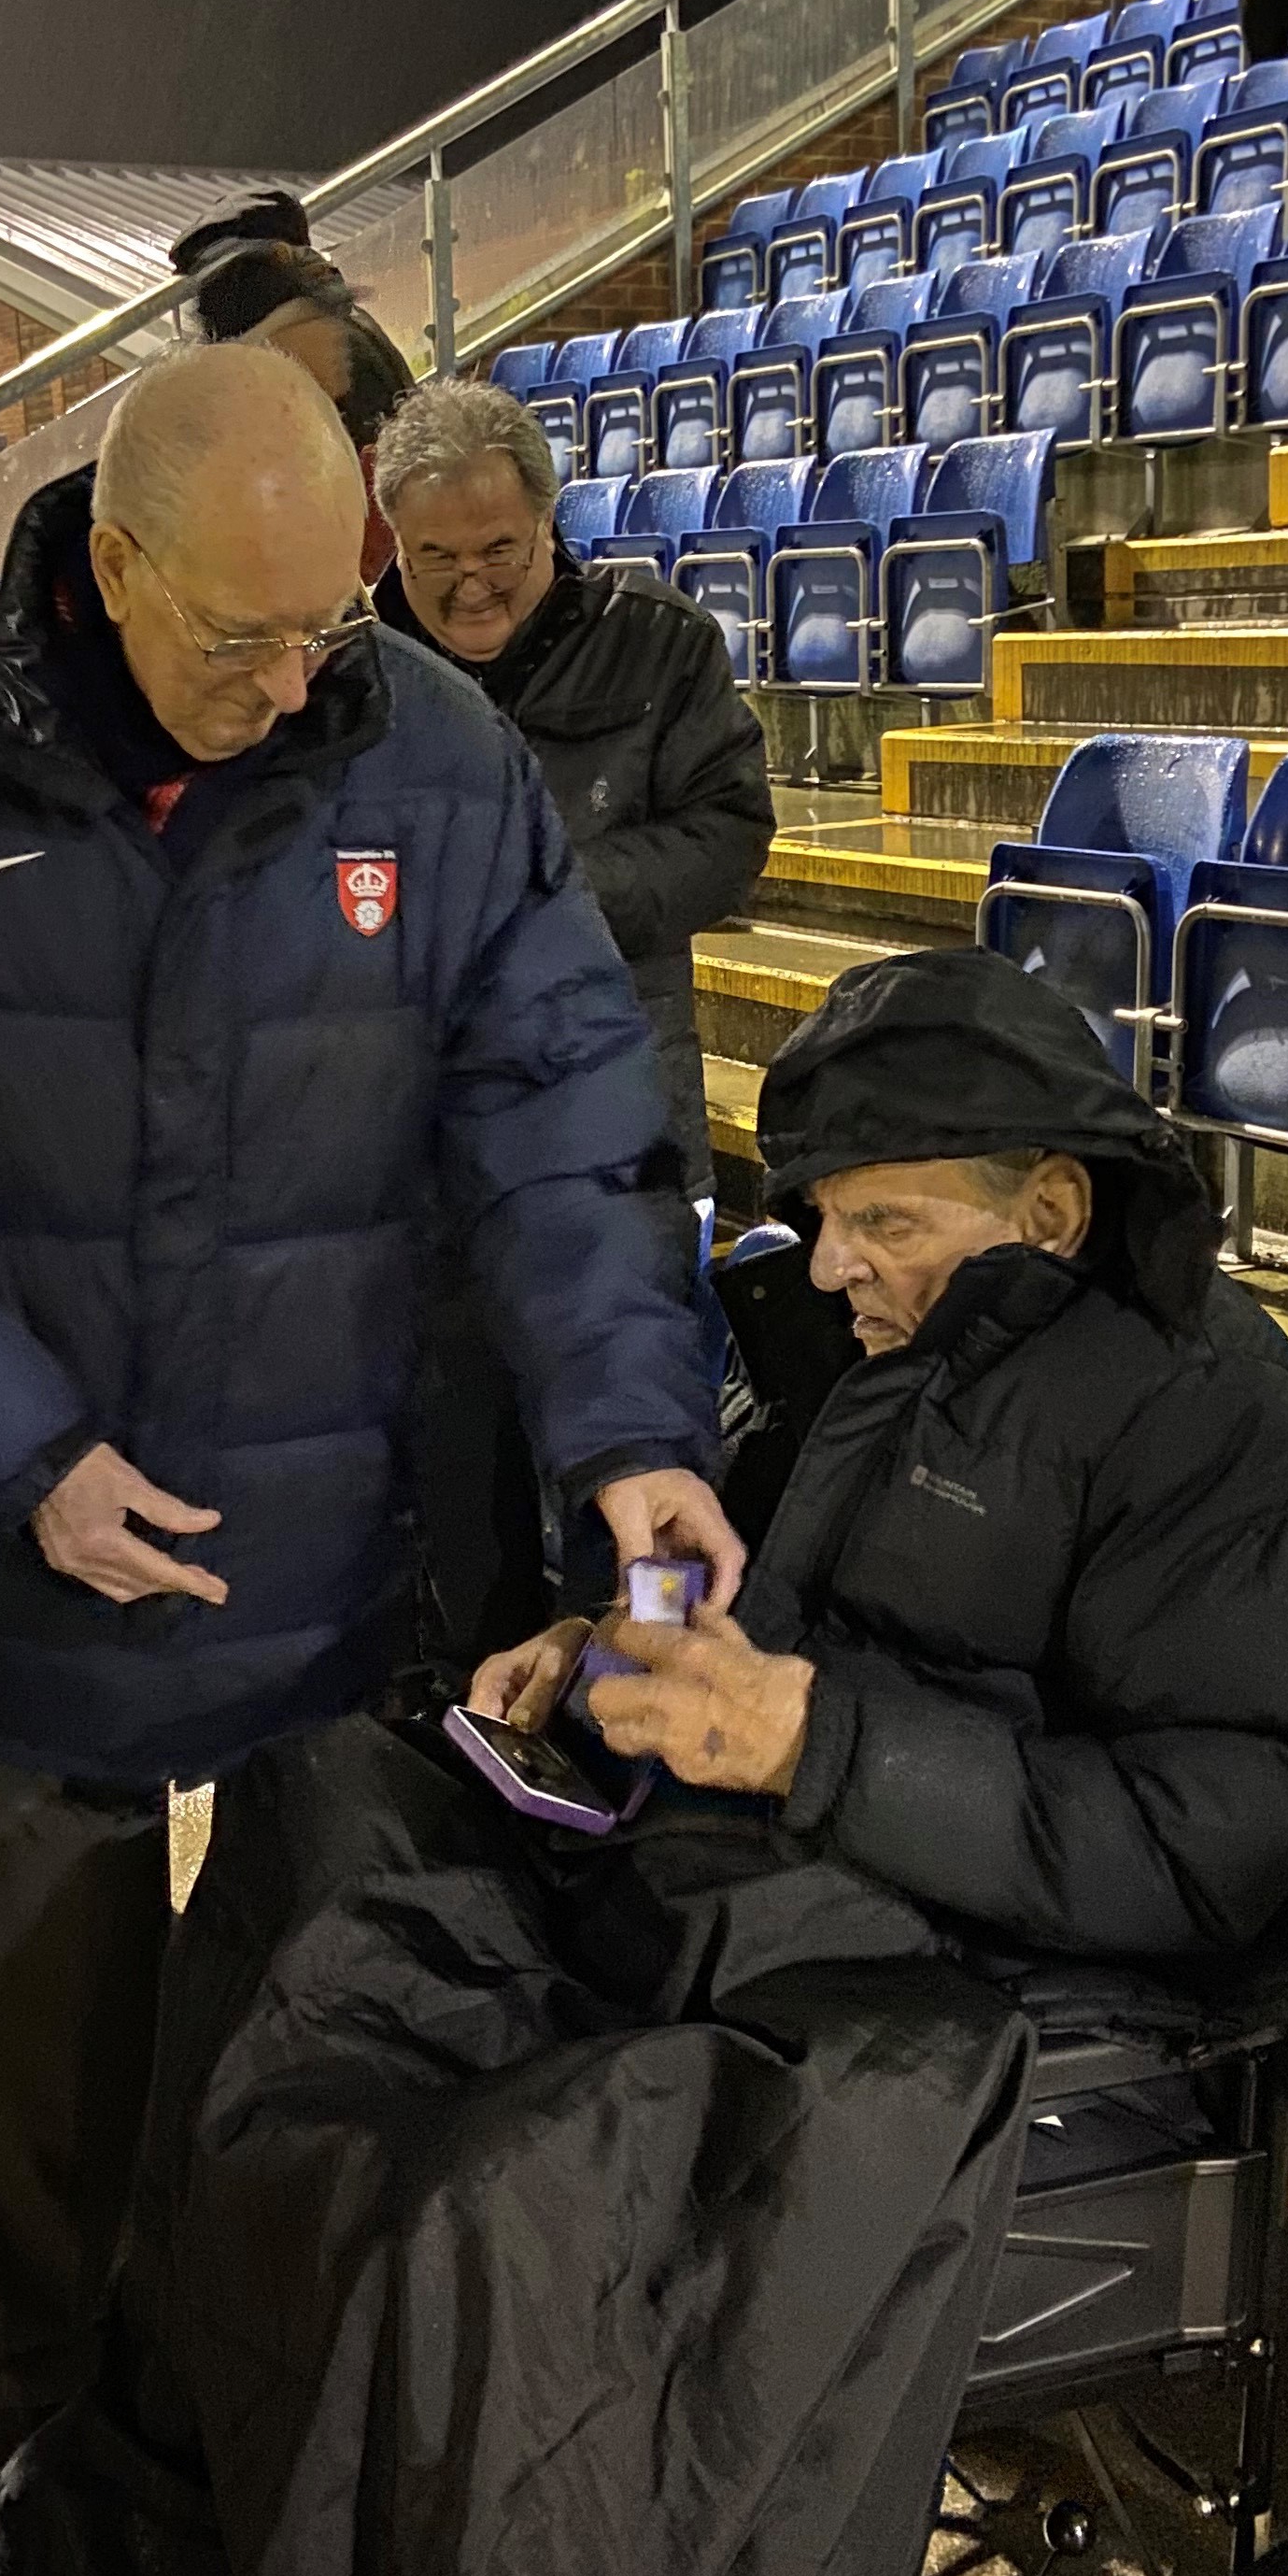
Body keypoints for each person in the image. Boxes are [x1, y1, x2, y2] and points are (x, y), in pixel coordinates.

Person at [0, 950, 1288, 2576]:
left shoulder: (1204, 1414)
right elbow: (738, 1577)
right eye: (825, 1215)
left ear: (1056, 1204)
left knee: (460, 2213)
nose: (833, 1262)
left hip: (956, 1993)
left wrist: (804, 1740)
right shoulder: (887, 1348)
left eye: (882, 1222)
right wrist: (612, 1650)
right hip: (753, 1886)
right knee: (310, 1865)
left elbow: (1222, 1841)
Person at [0, 339, 734, 2466]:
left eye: (322, 625)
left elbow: (562, 1101)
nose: (288, 683)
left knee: (329, 1975)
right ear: (112, 556)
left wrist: (633, 1415)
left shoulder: (427, 749)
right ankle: (48, 2414)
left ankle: (282, 2375)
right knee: (57, 1993)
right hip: (40, 1522)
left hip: (349, 1507)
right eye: (239, 635)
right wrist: (10, 1443)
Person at [373, 377, 775, 1662]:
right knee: (463, 1478)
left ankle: (656, 1706)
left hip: (624, 1140)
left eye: (499, 550)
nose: (472, 585)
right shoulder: (352, 679)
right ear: (394, 544)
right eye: (437, 558)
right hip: (430, 1164)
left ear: (551, 521)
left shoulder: (662, 644)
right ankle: (491, 1727)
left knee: (646, 1458)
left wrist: (544, 901)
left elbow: (730, 836)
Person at [166, 191, 414, 576]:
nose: (210, 297)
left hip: (344, 576)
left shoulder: (300, 345)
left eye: (222, 275)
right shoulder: (329, 327)